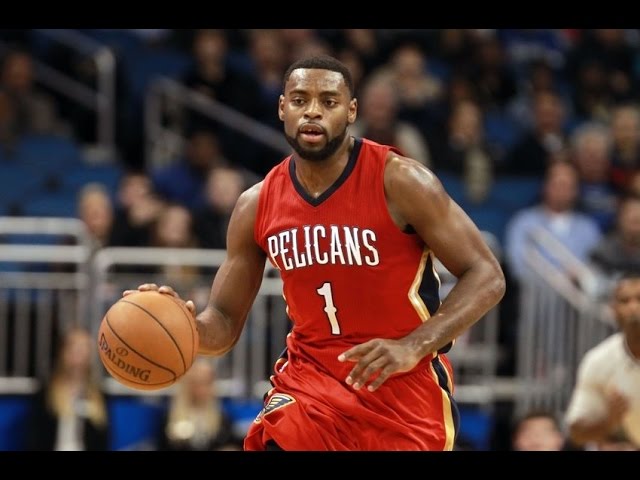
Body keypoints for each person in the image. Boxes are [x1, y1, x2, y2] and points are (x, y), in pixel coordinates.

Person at [125, 54, 505, 451]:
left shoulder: (400, 180)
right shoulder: (256, 204)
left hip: (401, 391)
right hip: (309, 388)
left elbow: (487, 275)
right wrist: (184, 328)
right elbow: (223, 320)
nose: (312, 111)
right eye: (299, 99)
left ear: (351, 110)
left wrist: (415, 345)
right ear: (282, 108)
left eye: (328, 101)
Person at [565, 273, 640, 449]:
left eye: (639, 299)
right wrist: (609, 420)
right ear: (613, 310)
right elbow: (577, 433)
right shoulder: (599, 361)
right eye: (624, 301)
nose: (633, 307)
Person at [26, 327, 110, 451]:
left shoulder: (98, 394)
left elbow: (104, 439)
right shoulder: (47, 392)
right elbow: (36, 436)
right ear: (63, 352)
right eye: (75, 347)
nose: (80, 354)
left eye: (85, 348)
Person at [157, 359, 242, 451]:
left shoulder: (223, 419)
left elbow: (232, 444)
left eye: (207, 383)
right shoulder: (169, 418)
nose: (203, 389)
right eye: (198, 383)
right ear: (187, 385)